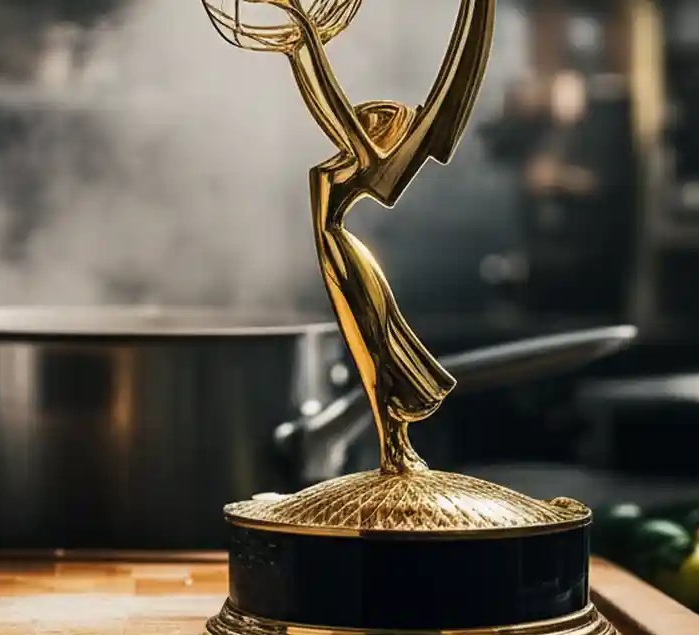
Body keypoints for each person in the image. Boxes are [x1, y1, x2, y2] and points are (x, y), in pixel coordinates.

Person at [203, 0, 495, 474]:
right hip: (339, 253)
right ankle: (394, 441)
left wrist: (299, 24)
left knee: (375, 350)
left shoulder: (368, 160)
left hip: (344, 253)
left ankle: (394, 443)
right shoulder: (348, 154)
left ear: (382, 134)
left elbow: (333, 100)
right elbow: (321, 96)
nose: (367, 111)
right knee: (372, 351)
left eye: (380, 115)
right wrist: (299, 47)